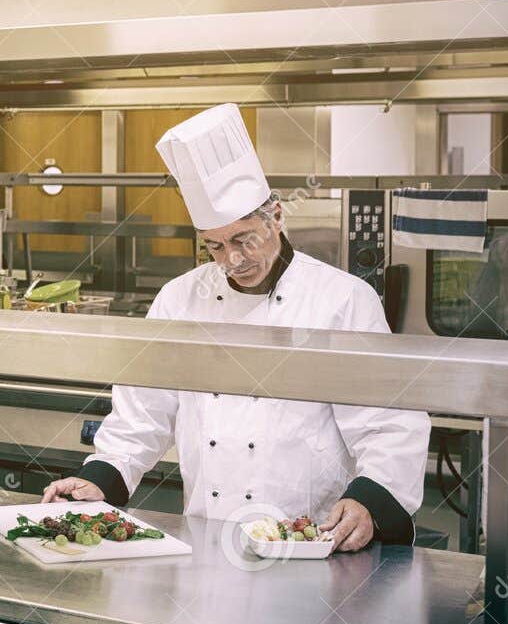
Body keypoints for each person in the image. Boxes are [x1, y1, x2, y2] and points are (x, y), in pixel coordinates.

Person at [41, 104, 431, 551]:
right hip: (207, 537)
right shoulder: (178, 300)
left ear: (277, 217)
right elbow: (140, 415)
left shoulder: (342, 300)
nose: (232, 260)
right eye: (215, 246)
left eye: (244, 239)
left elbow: (389, 423)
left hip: (310, 542)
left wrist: (369, 500)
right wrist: (100, 479)